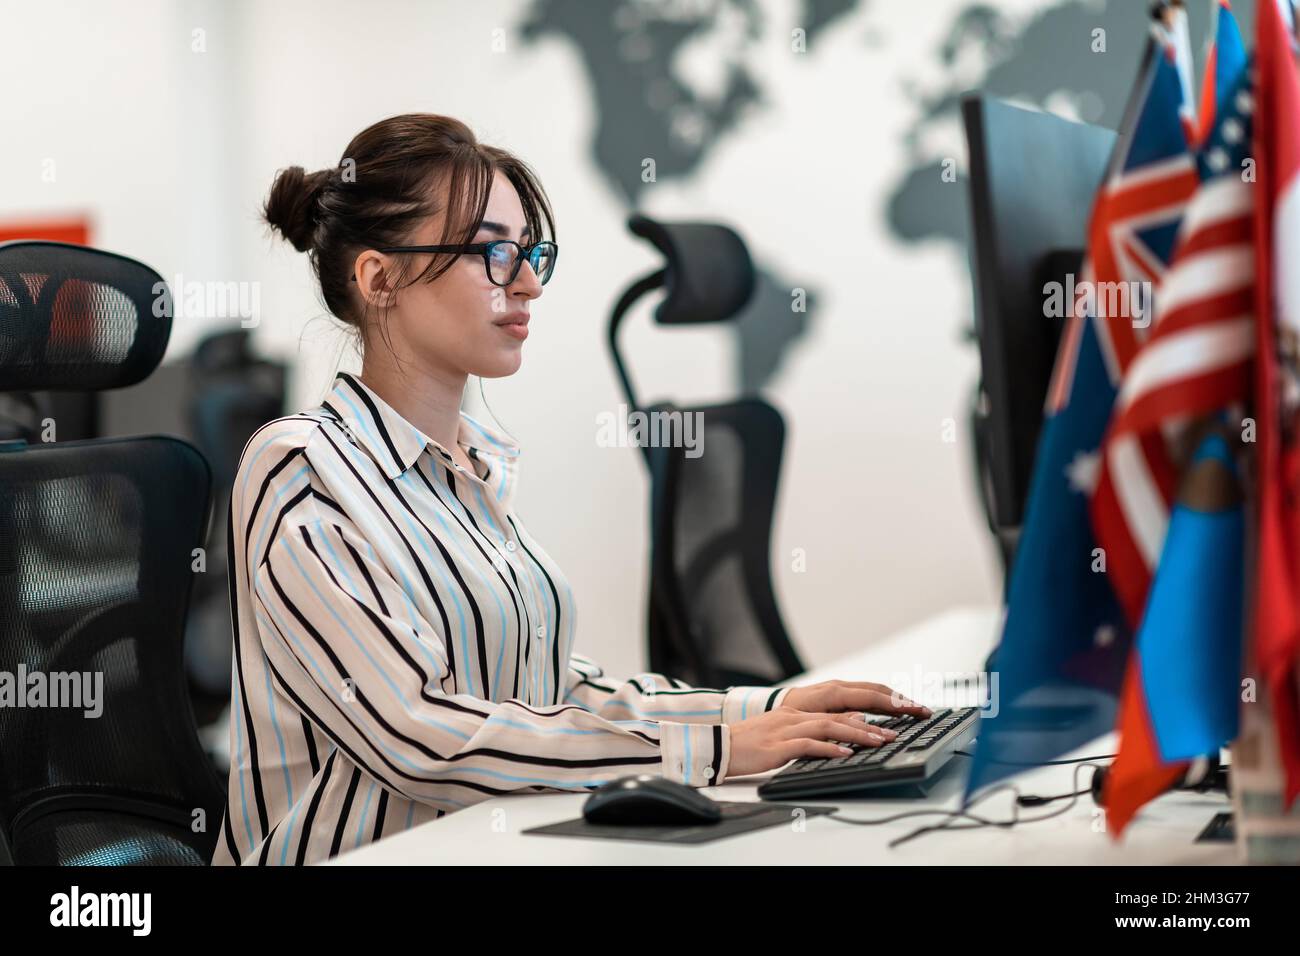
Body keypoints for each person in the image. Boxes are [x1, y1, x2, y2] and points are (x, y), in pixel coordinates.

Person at [213, 113, 930, 865]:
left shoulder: (474, 464)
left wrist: (762, 710)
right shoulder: (303, 471)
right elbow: (418, 734)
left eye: (529, 253)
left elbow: (546, 693)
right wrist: (712, 751)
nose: (527, 283)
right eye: (492, 252)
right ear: (379, 278)